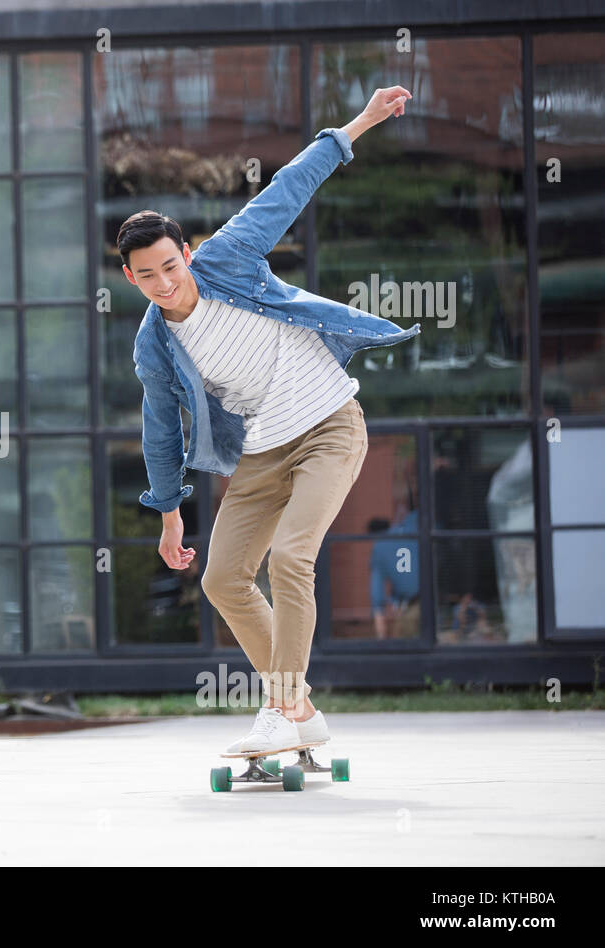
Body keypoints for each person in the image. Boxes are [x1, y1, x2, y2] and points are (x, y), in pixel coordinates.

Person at [121, 87, 421, 755]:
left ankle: (280, 706)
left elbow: (288, 188)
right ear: (130, 278)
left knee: (290, 557)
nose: (165, 283)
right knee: (222, 578)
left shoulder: (229, 256)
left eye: (171, 266)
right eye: (148, 276)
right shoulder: (153, 344)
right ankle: (301, 708)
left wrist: (361, 122)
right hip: (263, 449)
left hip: (329, 426)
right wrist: (169, 517)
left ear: (188, 254)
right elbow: (161, 432)